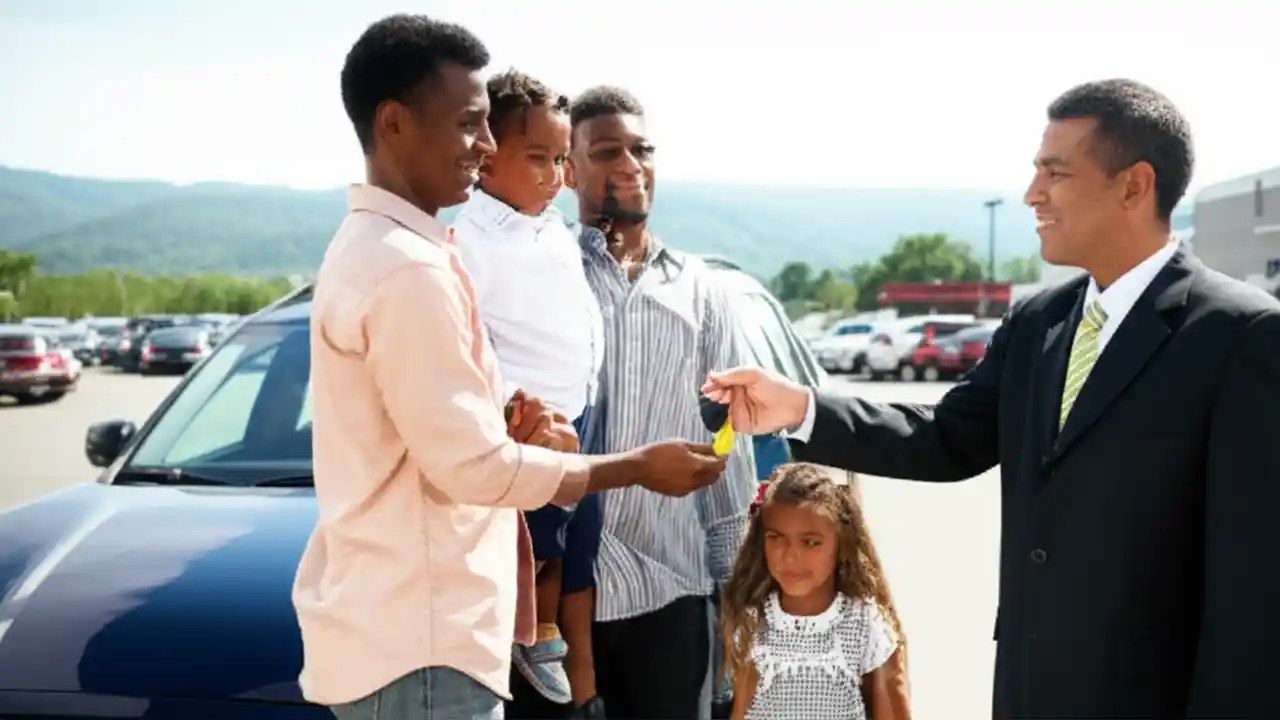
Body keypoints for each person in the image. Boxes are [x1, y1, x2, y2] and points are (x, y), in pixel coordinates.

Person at [703, 78, 1280, 718]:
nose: (1033, 193)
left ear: (1134, 186)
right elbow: (947, 439)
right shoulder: (1039, 322)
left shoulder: (1240, 335)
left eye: (1054, 173)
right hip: (1029, 687)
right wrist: (799, 407)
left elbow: (1254, 587)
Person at [294, 15, 727, 720]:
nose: (487, 145)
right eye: (470, 123)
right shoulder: (408, 270)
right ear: (396, 123)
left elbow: (435, 440)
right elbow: (476, 471)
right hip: (425, 647)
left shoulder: (389, 249)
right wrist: (637, 467)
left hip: (413, 638)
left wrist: (510, 428)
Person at [564, 85, 758, 719]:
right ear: (569, 169)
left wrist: (737, 603)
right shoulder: (546, 274)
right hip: (559, 603)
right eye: (606, 150)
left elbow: (729, 450)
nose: (629, 163)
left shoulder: (703, 291)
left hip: (670, 598)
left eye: (642, 148)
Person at [451, 69, 606, 717]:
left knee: (575, 540)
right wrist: (514, 401)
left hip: (582, 408)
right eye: (537, 158)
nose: (553, 175)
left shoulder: (554, 232)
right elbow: (470, 334)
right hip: (530, 419)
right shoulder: (471, 239)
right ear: (487, 156)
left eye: (561, 160)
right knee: (538, 541)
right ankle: (531, 635)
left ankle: (553, 638)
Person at [720, 463, 910, 720]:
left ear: (842, 544)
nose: (790, 557)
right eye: (776, 538)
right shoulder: (755, 623)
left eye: (810, 543)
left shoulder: (866, 626)